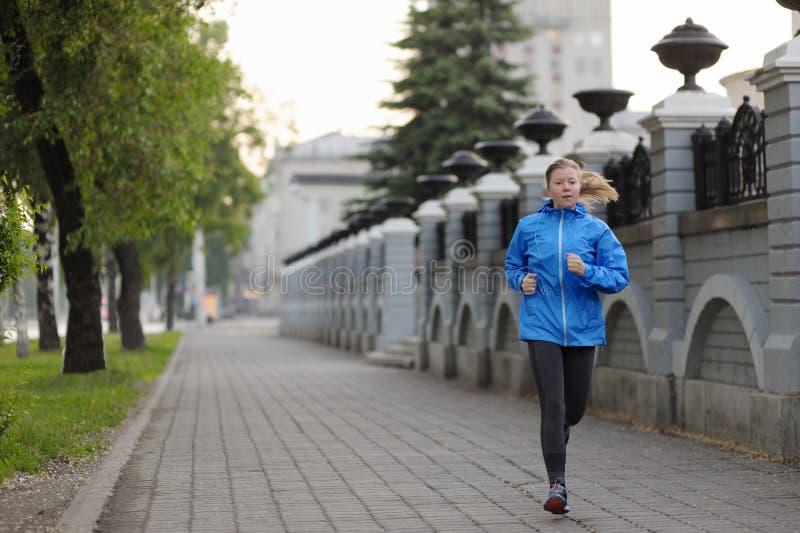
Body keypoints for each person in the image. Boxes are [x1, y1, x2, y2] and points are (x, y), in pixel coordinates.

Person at [504, 157, 629, 515]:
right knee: (554, 405)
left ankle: (559, 435)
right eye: (559, 182)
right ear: (549, 189)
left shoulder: (596, 230)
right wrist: (521, 281)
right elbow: (512, 266)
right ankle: (556, 485)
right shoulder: (528, 227)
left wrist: (587, 270)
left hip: (583, 329)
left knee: (573, 409)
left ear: (579, 186)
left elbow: (619, 276)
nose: (566, 187)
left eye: (571, 182)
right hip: (540, 326)